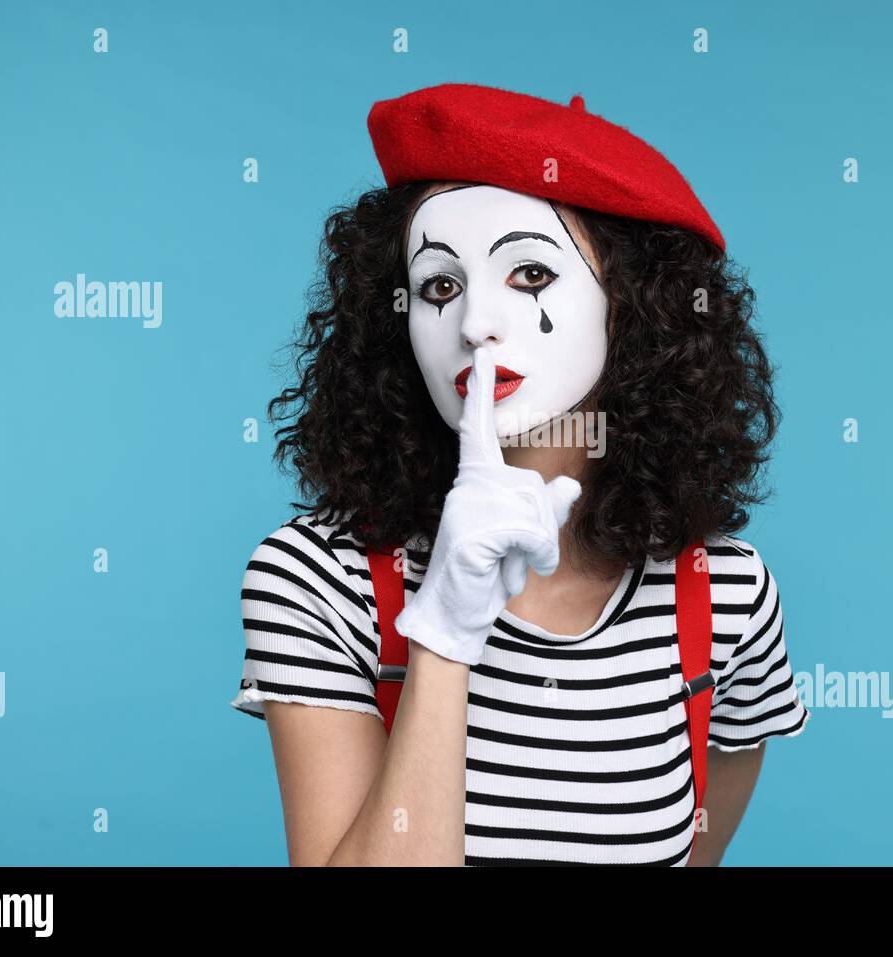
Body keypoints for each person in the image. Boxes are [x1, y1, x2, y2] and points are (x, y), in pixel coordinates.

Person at [230, 83, 809, 866]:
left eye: (530, 275)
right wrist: (442, 633)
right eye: (440, 285)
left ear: (635, 310)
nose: (474, 323)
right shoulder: (315, 581)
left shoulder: (725, 599)